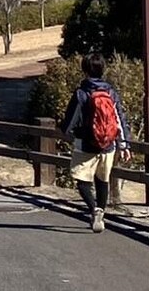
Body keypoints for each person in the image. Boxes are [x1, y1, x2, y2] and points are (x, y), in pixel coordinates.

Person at [62, 52, 133, 233]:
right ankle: (101, 211)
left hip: (85, 144)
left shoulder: (81, 93)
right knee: (103, 179)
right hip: (108, 145)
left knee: (81, 179)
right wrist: (124, 145)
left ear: (84, 70)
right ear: (103, 70)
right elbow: (119, 119)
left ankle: (94, 209)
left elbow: (70, 121)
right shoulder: (110, 92)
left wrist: (64, 130)